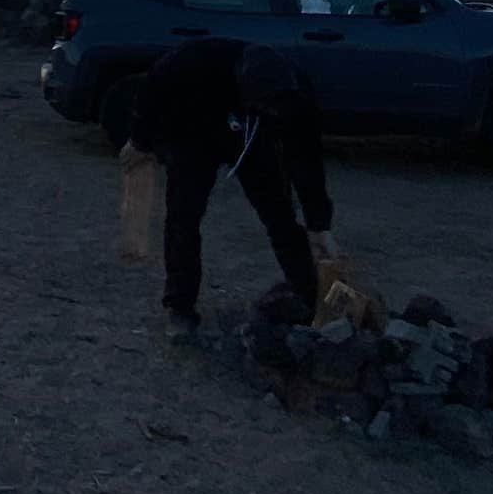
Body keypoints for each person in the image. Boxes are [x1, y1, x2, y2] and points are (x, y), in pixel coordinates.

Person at [124, 37, 337, 329]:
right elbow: (151, 90)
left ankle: (306, 294)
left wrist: (318, 224)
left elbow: (306, 158)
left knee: (279, 215)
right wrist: (139, 140)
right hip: (193, 132)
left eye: (277, 108)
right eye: (267, 105)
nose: (276, 111)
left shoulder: (294, 91)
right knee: (183, 218)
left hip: (251, 138)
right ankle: (180, 305)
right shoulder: (192, 63)